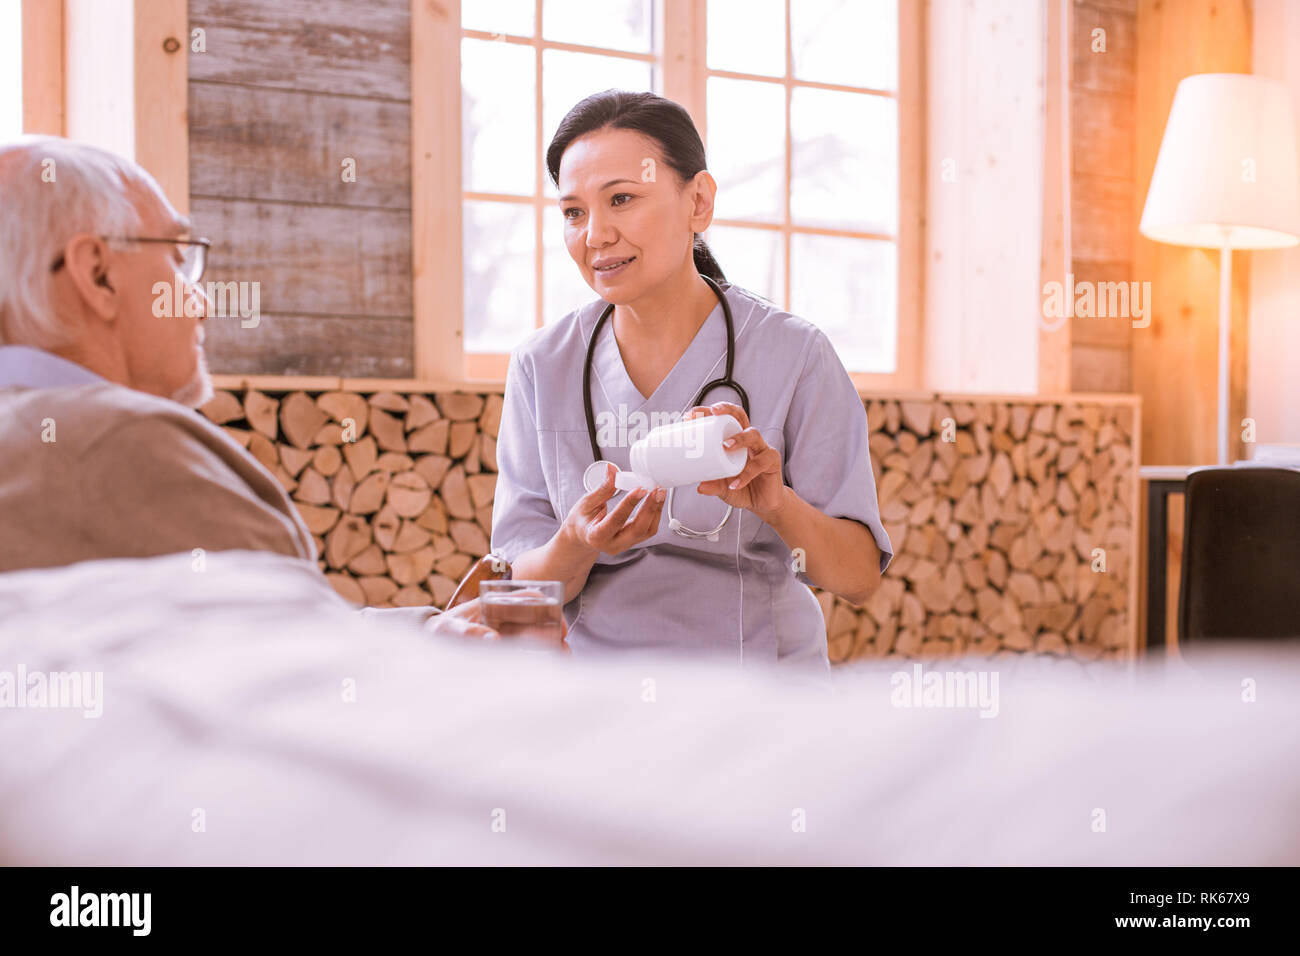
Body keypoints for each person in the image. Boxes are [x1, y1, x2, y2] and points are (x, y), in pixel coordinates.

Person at [0, 136, 489, 640]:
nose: (201, 303)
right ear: (98, 275)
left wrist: (431, 632)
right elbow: (308, 679)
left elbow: (259, 638)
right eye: (175, 258)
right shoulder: (125, 444)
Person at [491, 91, 893, 676]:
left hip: (759, 693)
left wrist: (776, 503)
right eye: (574, 212)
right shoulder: (541, 365)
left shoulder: (794, 354)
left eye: (622, 199)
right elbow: (514, 585)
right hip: (593, 696)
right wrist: (576, 543)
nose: (595, 235)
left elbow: (858, 579)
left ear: (698, 202)